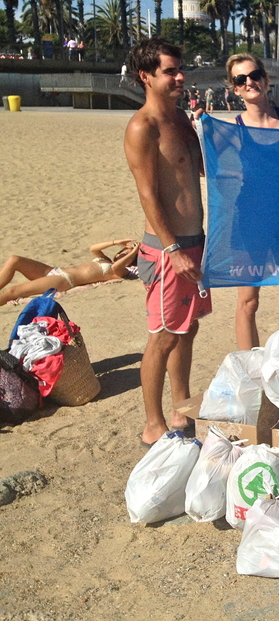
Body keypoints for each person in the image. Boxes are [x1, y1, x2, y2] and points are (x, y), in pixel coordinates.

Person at [123, 37, 213, 447]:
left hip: (195, 242)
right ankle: (153, 424)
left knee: (186, 329)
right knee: (161, 336)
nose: (180, 77)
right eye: (170, 72)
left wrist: (208, 132)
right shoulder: (143, 127)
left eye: (181, 70)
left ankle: (181, 408)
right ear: (145, 76)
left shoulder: (181, 120)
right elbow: (148, 194)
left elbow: (203, 172)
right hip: (167, 250)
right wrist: (173, 249)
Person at [224, 53, 279, 350]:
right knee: (248, 302)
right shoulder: (231, 129)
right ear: (235, 88)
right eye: (240, 79)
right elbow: (207, 167)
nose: (249, 82)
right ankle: (251, 367)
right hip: (248, 221)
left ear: (266, 79)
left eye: (255, 75)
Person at [0, 239, 140, 306]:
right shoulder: (105, 260)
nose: (123, 254)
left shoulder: (121, 271)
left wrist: (134, 252)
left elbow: (116, 267)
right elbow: (93, 248)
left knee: (13, 291)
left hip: (64, 280)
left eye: (128, 255)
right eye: (122, 252)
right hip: (54, 271)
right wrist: (116, 242)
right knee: (15, 260)